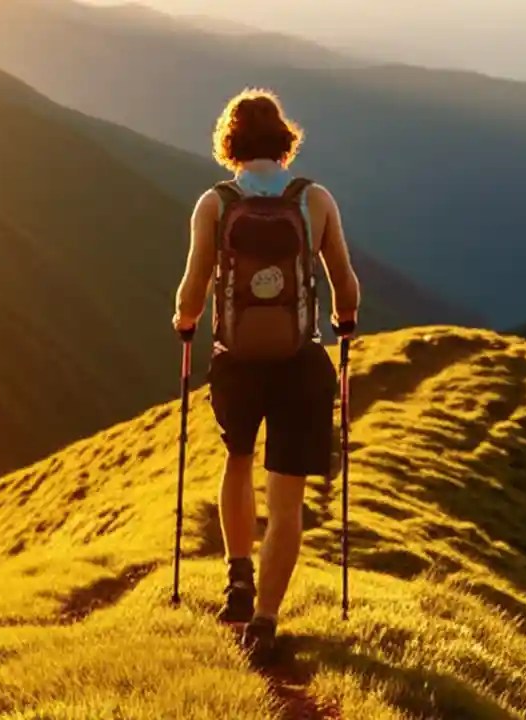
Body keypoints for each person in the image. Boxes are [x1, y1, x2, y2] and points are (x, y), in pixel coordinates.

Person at [173, 88, 361, 660]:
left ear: (230, 143)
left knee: (237, 459)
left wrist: (184, 322)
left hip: (237, 361)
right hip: (299, 362)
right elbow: (344, 281)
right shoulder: (314, 200)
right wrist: (344, 322)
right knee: (287, 499)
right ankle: (265, 620)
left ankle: (238, 573)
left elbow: (194, 286)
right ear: (284, 140)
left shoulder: (215, 203)